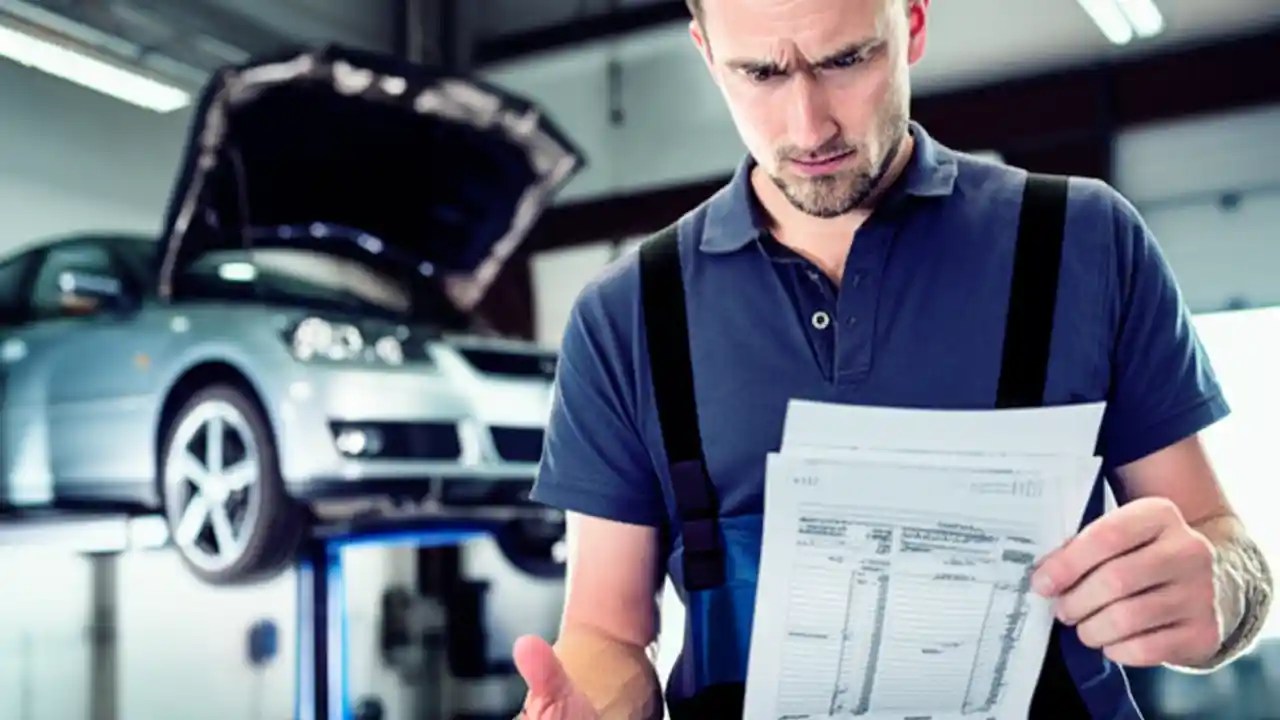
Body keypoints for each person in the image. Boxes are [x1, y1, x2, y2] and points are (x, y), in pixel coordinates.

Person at [511, 1, 1274, 718]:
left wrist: (1221, 594)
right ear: (708, 54)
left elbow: (1223, 544)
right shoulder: (627, 314)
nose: (808, 127)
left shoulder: (1083, 241)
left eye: (846, 59)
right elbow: (607, 632)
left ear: (910, 23)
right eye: (762, 74)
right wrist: (585, 705)